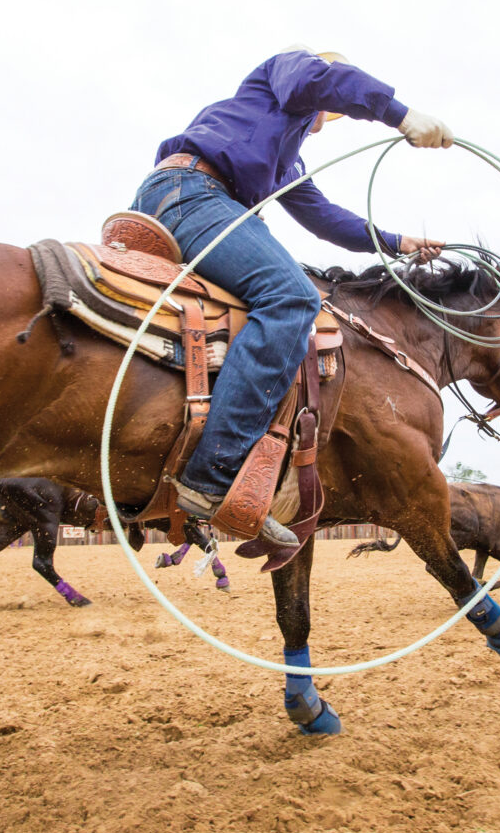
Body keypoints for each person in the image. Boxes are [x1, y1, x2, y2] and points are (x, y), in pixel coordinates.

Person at [130, 47, 453, 547]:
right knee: (292, 299)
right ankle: (212, 477)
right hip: (194, 194)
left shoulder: (286, 155)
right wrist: (400, 114)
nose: (337, 110)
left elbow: (322, 217)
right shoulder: (285, 76)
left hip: (186, 198)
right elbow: (315, 80)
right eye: (335, 94)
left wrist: (397, 242)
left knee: (256, 307)